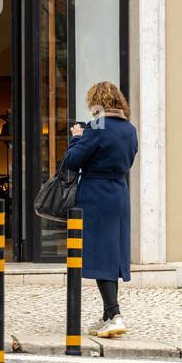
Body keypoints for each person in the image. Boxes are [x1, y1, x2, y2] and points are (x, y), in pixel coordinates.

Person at [60, 81, 138, 338]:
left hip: (95, 196)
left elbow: (72, 161)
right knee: (111, 254)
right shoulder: (130, 129)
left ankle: (115, 315)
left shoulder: (97, 127)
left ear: (97, 102)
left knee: (101, 255)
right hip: (118, 194)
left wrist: (76, 138)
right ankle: (107, 316)